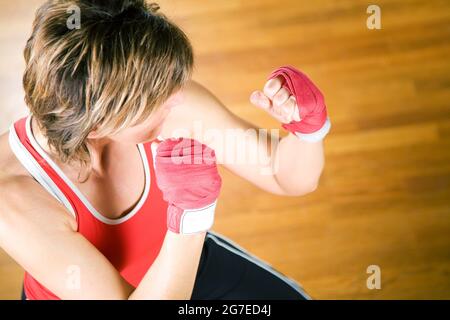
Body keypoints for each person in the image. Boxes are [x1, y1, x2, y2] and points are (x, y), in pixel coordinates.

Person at [0, 0, 330, 300]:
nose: (177, 98)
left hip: (179, 257)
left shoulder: (169, 102)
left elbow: (285, 177)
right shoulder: (13, 196)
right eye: (156, 98)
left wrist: (308, 129)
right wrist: (191, 217)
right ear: (97, 125)